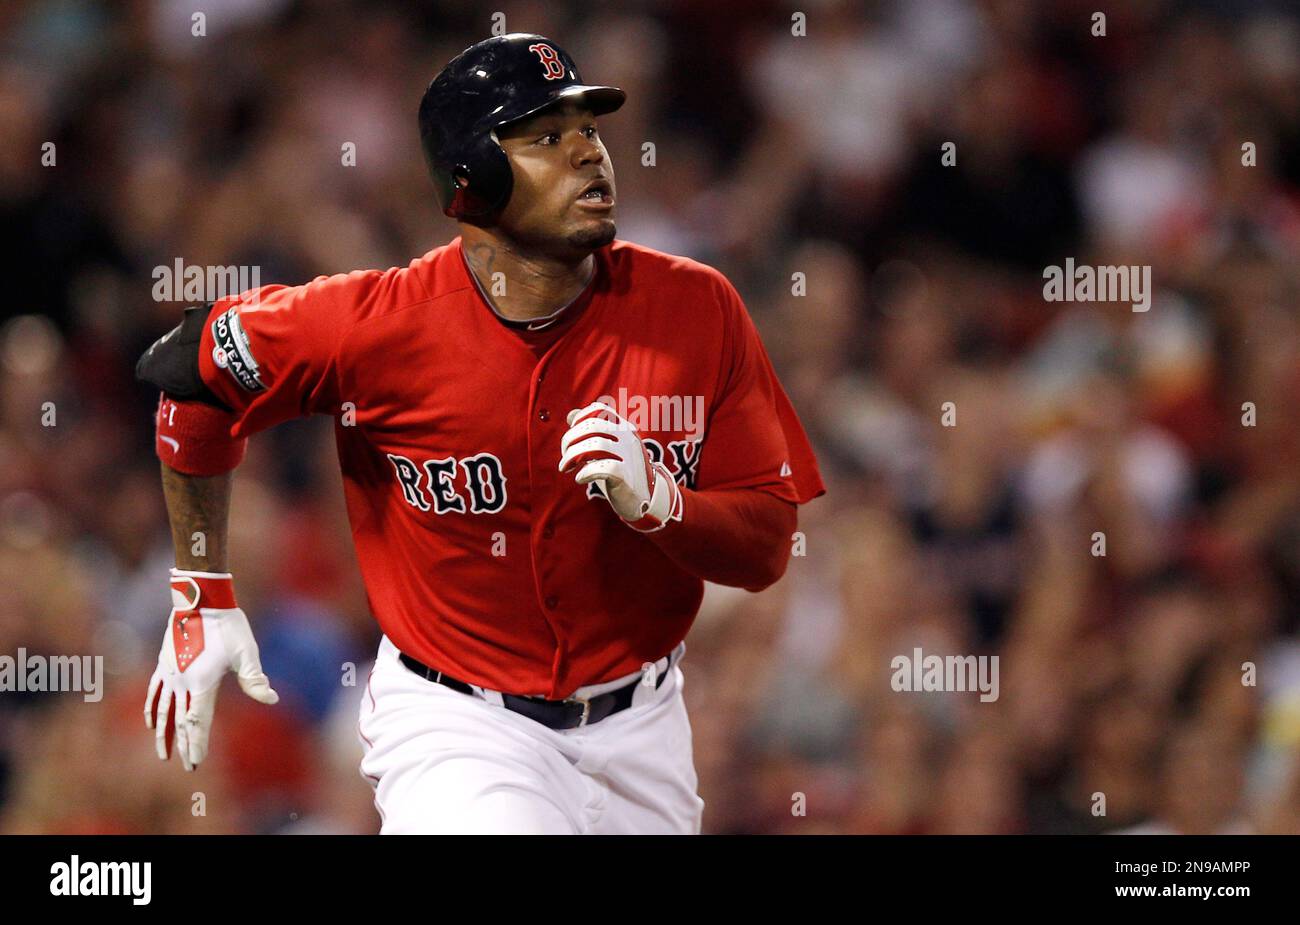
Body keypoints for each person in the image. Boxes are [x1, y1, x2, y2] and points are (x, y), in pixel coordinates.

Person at [136, 33, 824, 834]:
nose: (588, 156)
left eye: (589, 130)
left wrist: (666, 506)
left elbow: (768, 544)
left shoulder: (695, 309)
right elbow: (185, 373)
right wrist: (201, 589)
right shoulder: (376, 325)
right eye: (544, 138)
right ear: (470, 181)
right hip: (458, 722)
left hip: (646, 729)